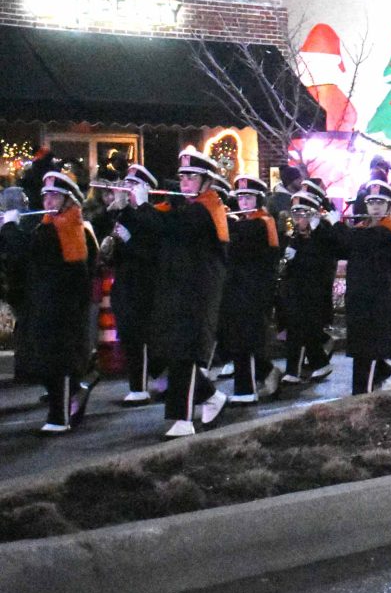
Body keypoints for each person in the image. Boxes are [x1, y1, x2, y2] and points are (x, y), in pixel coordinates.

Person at [1, 170, 99, 434]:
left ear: (68, 201)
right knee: (46, 361)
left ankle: (61, 416)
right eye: (46, 196)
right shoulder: (49, 226)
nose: (48, 202)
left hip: (61, 308)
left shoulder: (65, 227)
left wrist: (10, 225)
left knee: (60, 363)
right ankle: (78, 390)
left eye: (55, 196)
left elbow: (25, 250)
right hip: (46, 303)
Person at [141, 148, 230, 438]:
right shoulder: (189, 208)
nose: (185, 182)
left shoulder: (206, 209)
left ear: (207, 181)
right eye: (182, 176)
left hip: (197, 295)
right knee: (174, 353)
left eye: (192, 176)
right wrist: (127, 210)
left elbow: (174, 227)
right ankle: (213, 397)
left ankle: (183, 419)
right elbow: (160, 235)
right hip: (177, 292)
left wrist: (141, 207)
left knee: (184, 355)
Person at [334, 180, 391, 394]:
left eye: (380, 202)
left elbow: (360, 242)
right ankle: (383, 378)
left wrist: (335, 224)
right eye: (371, 202)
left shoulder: (387, 231)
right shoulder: (363, 228)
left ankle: (364, 398)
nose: (374, 206)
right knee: (360, 353)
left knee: (369, 351)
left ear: (390, 206)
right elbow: (342, 248)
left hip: (376, 301)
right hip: (359, 299)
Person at [221, 176, 283, 404]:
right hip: (240, 289)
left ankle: (245, 389)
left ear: (257, 198)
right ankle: (265, 373)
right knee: (241, 338)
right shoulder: (243, 222)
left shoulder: (261, 222)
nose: (244, 202)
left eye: (248, 197)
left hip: (254, 291)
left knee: (245, 339)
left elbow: (239, 244)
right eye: (241, 198)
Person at [105, 164, 163, 405]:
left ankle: (140, 387)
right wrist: (114, 212)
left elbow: (151, 251)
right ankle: (151, 380)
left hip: (144, 285)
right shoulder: (126, 213)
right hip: (125, 285)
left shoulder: (152, 213)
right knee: (130, 336)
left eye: (132, 185)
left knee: (141, 337)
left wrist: (128, 240)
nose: (127, 189)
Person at [280, 190, 342, 383]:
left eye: (302, 214)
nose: (297, 219)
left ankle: (295, 370)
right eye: (295, 214)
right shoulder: (296, 235)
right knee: (300, 330)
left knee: (303, 329)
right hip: (296, 289)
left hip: (314, 290)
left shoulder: (323, 232)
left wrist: (300, 254)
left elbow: (324, 258)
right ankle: (318, 363)